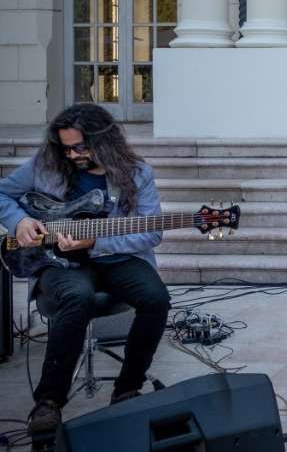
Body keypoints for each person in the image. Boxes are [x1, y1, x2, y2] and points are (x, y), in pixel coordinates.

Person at [0, 104, 170, 436]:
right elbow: (3, 193)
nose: (73, 154)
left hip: (114, 258)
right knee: (77, 296)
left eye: (80, 146)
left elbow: (152, 232)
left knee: (156, 299)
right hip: (56, 261)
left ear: (103, 140)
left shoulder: (136, 174)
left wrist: (94, 244)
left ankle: (127, 389)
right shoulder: (45, 165)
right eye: (66, 147)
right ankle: (49, 401)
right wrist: (19, 221)